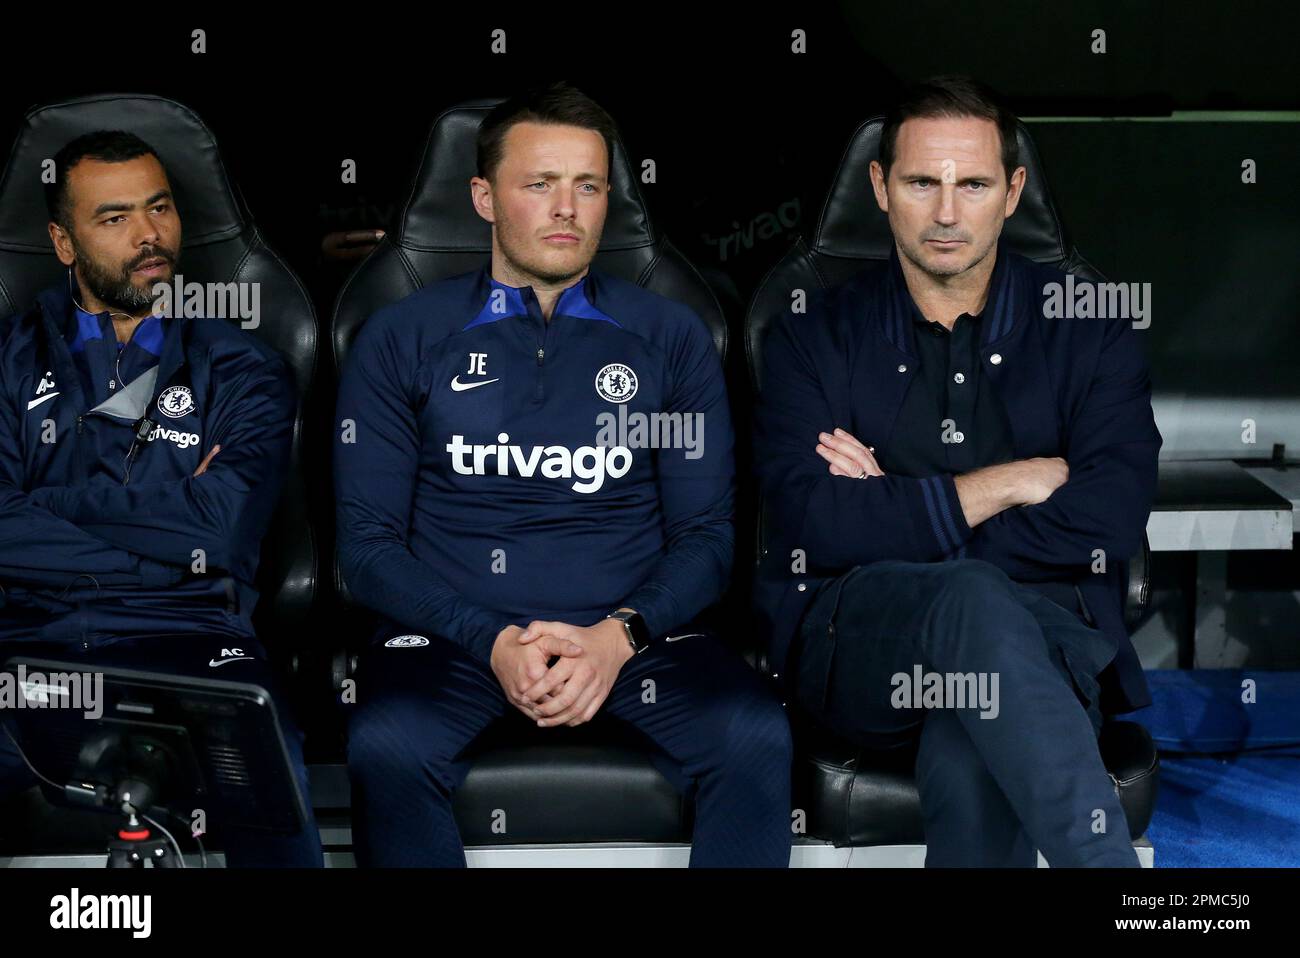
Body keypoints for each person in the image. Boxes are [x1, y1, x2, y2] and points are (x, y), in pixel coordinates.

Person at [336, 82, 792, 867]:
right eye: (539, 184)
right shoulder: (401, 335)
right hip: (455, 639)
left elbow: (708, 539)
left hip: (636, 637)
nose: (566, 209)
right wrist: (492, 642)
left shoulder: (670, 336)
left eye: (587, 186)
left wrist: (616, 638)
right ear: (483, 197)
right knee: (387, 741)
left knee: (753, 732)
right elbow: (368, 548)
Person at [754, 76, 1162, 867]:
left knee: (972, 751)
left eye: (972, 184)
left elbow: (1108, 517)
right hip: (863, 639)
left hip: (1044, 640)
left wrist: (897, 513)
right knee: (971, 594)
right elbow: (812, 521)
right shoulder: (810, 331)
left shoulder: (1091, 326)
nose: (947, 213)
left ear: (1012, 192)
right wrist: (1007, 483)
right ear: (880, 186)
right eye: (921, 183)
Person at [0, 130, 322, 867]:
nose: (149, 236)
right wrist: (167, 524)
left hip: (192, 645)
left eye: (161, 208)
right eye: (114, 219)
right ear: (62, 242)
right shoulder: (8, 362)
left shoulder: (243, 367)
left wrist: (42, 503)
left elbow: (225, 525)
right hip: (28, 649)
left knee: (273, 793)